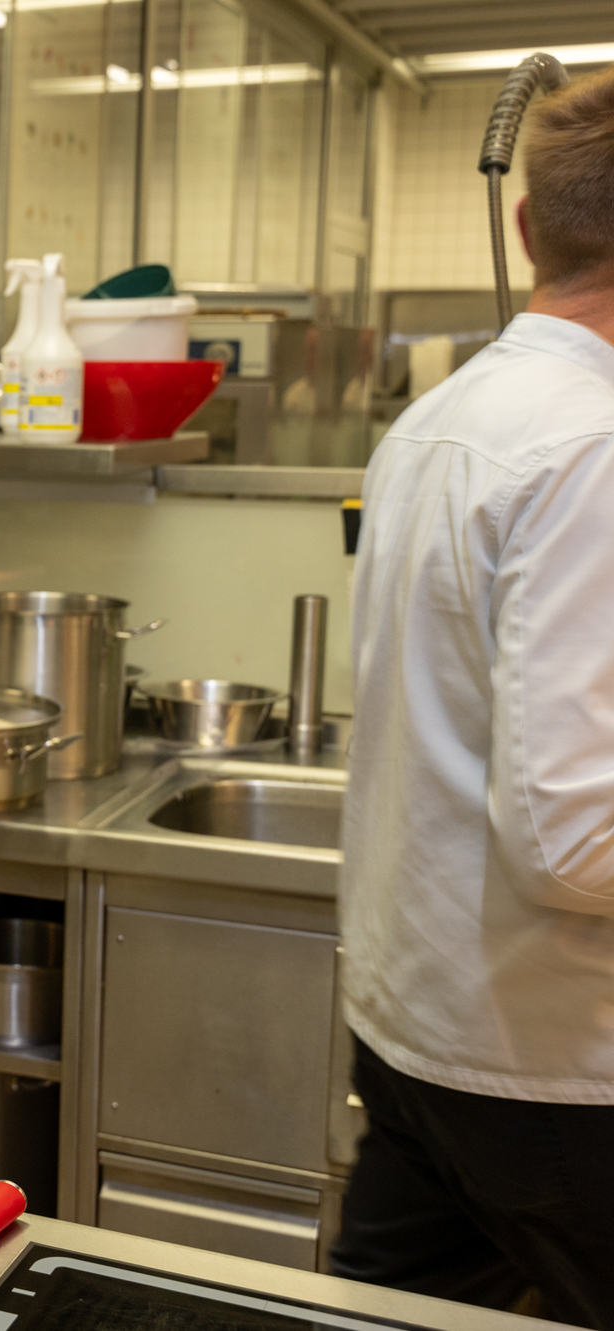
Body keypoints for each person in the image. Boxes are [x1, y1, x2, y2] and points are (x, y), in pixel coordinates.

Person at [333, 67, 614, 1325]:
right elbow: (571, 836)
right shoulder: (593, 448)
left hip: (415, 1042)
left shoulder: (437, 419)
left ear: (521, 229)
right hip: (557, 1076)